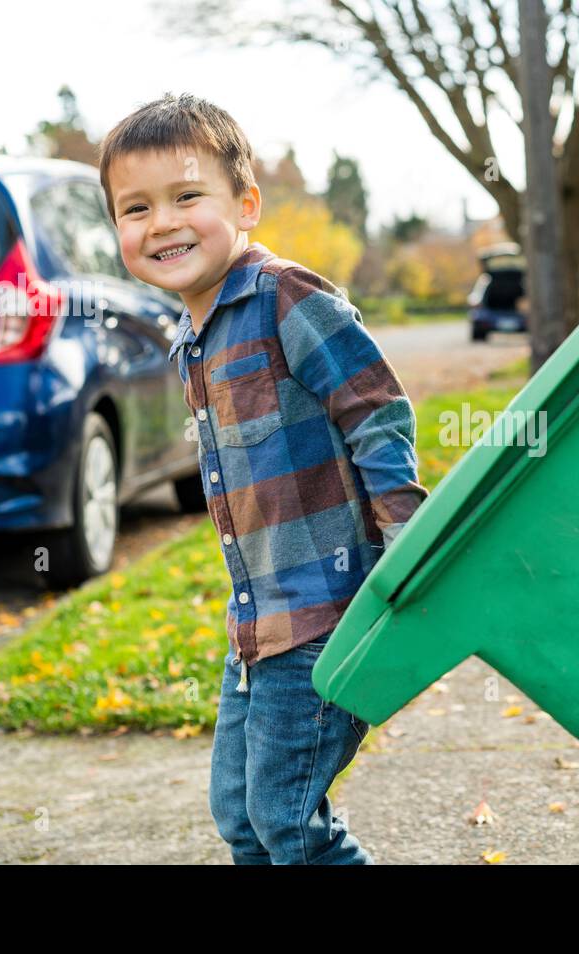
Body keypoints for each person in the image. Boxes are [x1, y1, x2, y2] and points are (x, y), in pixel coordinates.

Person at [98, 92, 428, 864]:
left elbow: (375, 409)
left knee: (287, 820)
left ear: (245, 203)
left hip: (326, 616)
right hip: (255, 627)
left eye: (187, 196)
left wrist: (404, 547)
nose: (163, 222)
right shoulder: (194, 335)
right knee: (241, 818)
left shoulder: (285, 295)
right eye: (135, 208)